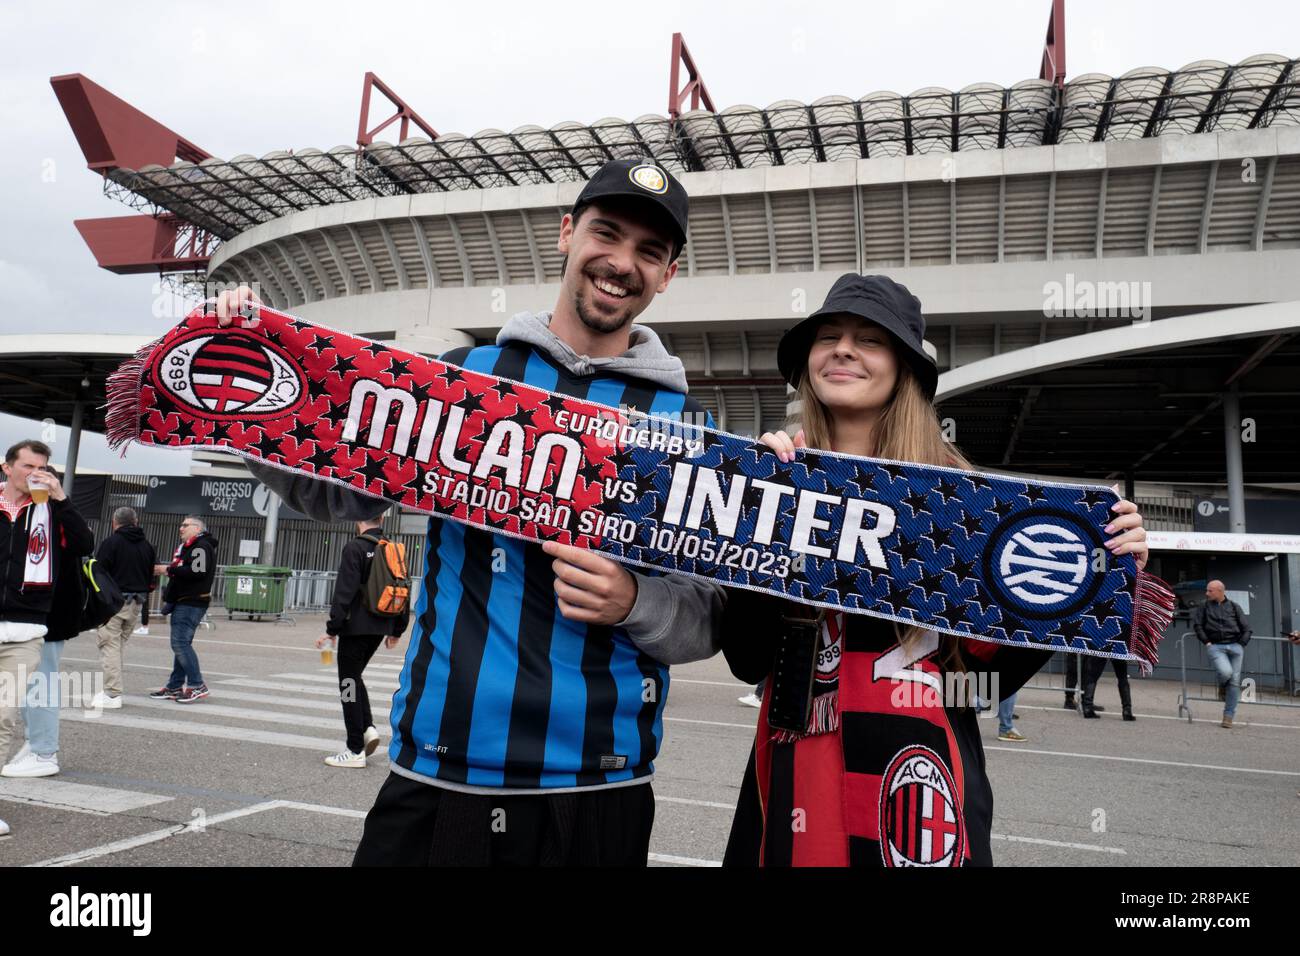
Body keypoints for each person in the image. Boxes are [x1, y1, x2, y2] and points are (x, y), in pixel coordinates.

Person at [212, 158, 725, 866]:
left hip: (598, 787)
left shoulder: (685, 429)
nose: (621, 263)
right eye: (606, 234)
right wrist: (241, 385)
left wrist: (634, 600)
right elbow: (332, 490)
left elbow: (709, 617)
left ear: (667, 275)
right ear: (567, 234)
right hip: (440, 775)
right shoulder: (462, 380)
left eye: (649, 252)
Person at [720, 274, 1154, 866]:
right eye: (829, 336)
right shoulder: (771, 477)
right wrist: (762, 514)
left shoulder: (967, 505)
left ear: (904, 370)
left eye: (869, 340)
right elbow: (746, 658)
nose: (843, 349)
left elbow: (985, 686)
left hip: (924, 786)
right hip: (797, 778)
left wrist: (1092, 574)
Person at [0, 441, 91, 827]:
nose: (34, 473)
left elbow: (85, 545)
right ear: (6, 468)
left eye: (42, 467)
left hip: (24, 630)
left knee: (2, 718)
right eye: (27, 466)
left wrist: (60, 498)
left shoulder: (51, 512)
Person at [318, 514, 410, 768]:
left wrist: (332, 629)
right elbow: (404, 586)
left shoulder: (355, 547)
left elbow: (343, 593)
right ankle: (367, 727)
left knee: (347, 683)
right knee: (355, 677)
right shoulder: (391, 547)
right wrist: (398, 629)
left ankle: (354, 748)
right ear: (381, 519)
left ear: (358, 520)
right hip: (381, 626)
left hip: (355, 628)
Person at [89, 506, 157, 709]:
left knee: (108, 645)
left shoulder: (111, 543)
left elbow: (99, 573)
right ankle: (112, 687)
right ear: (135, 522)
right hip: (136, 603)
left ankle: (112, 693)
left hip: (115, 603)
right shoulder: (147, 546)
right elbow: (150, 577)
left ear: (114, 522)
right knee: (117, 646)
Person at [148, 516, 217, 703]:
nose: (181, 528)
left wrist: (167, 570)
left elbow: (197, 571)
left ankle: (197, 684)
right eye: (181, 525)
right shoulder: (191, 547)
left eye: (185, 525)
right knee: (182, 644)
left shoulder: (201, 546)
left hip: (191, 602)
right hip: (185, 601)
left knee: (180, 644)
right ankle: (174, 686)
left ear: (197, 528)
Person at [1193, 579, 1251, 729]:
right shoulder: (1204, 606)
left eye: (1210, 591)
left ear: (1220, 591)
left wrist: (1241, 644)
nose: (1207, 593)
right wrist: (1207, 642)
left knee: (1234, 682)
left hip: (1236, 647)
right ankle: (1222, 685)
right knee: (1226, 673)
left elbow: (1246, 627)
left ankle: (1228, 716)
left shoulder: (1234, 607)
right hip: (1216, 646)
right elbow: (1198, 625)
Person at [1078, 654, 1134, 720]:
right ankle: (1127, 710)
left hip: (1102, 645)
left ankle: (1088, 708)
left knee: (1092, 676)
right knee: (1122, 677)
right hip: (1117, 646)